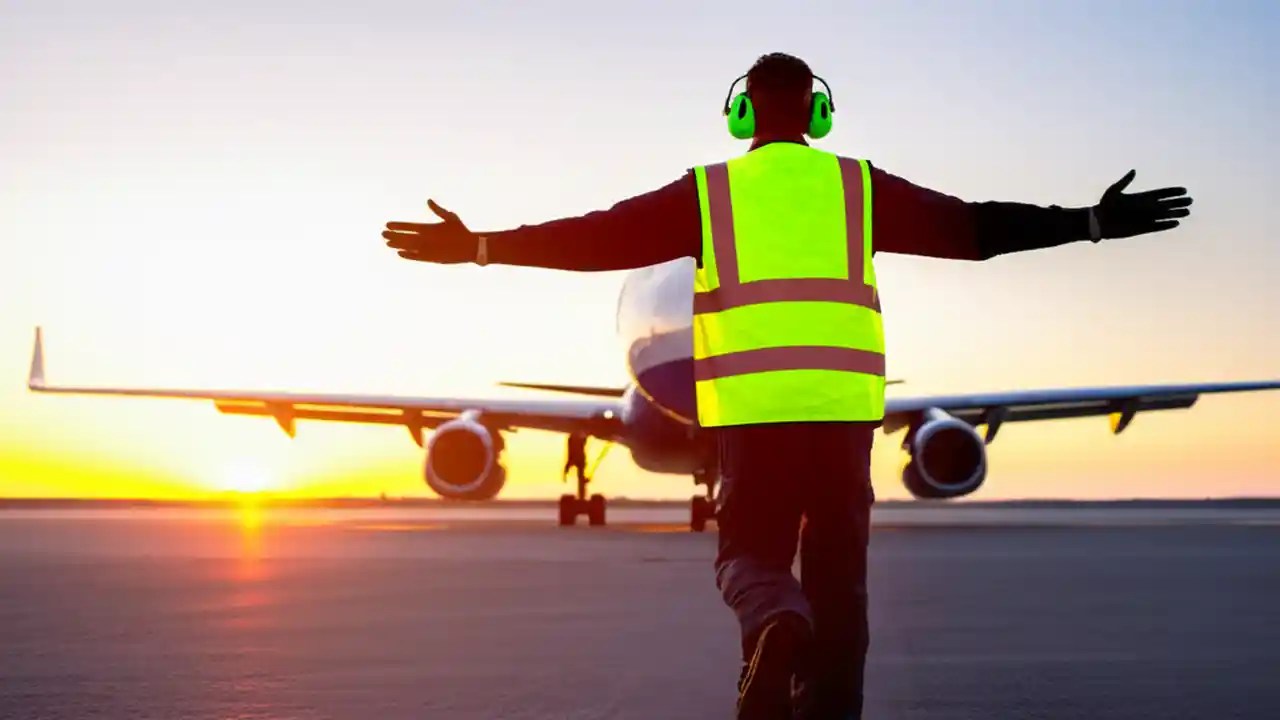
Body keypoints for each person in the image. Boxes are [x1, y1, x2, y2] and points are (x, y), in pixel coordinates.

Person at [381, 52, 1192, 719]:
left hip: (752, 420)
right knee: (842, 591)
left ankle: (774, 626)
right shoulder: (857, 186)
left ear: (743, 115)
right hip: (840, 423)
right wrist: (1090, 222)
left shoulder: (708, 193)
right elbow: (976, 229)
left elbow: (593, 239)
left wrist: (480, 246)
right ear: (818, 113)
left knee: (752, 561)